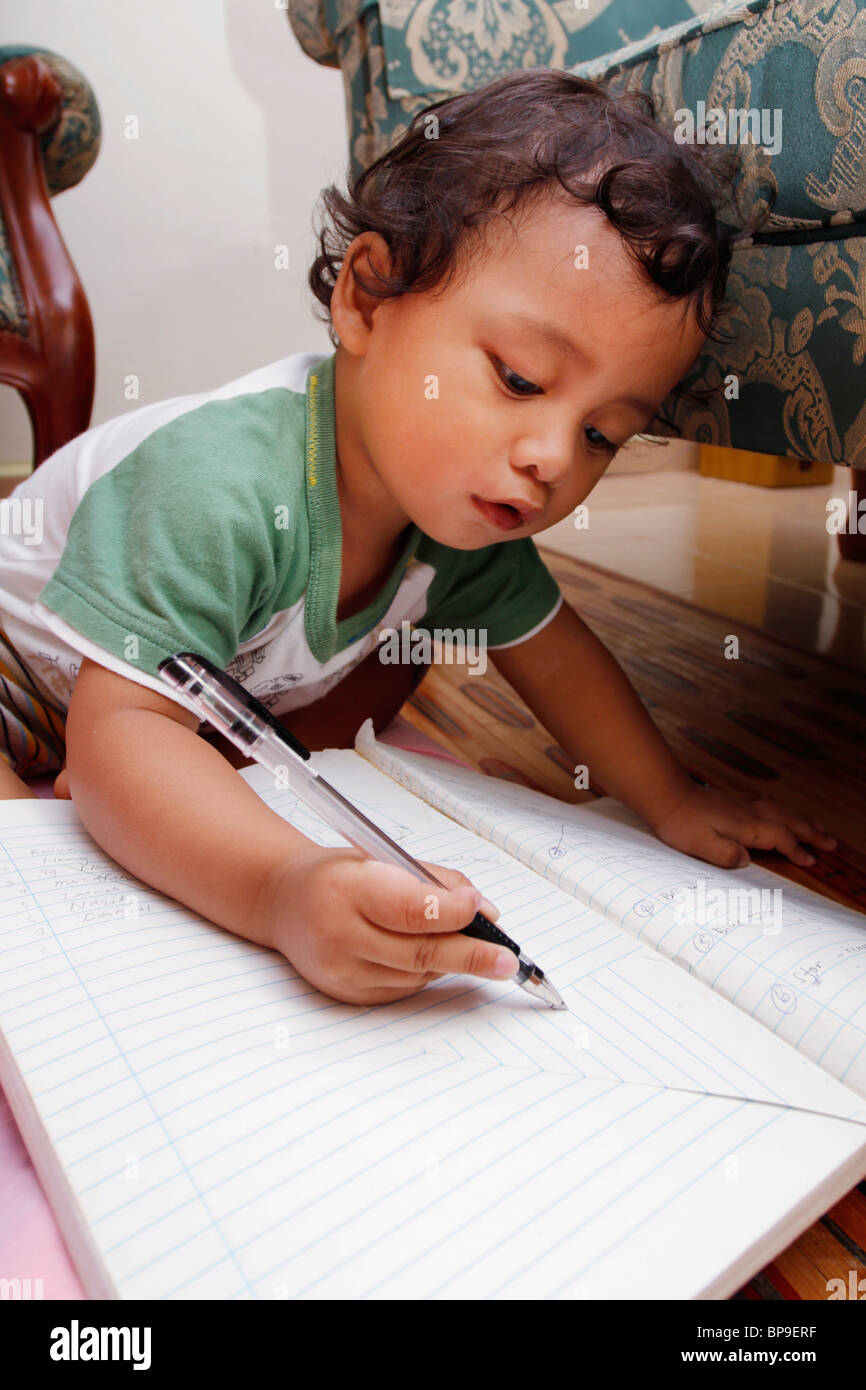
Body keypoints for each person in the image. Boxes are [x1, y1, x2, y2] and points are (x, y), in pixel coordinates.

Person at [0, 70, 835, 1003]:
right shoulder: (223, 483)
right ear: (366, 299)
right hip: (23, 670)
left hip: (186, 695)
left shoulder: (462, 522)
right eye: (520, 380)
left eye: (605, 434)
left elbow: (557, 653)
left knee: (391, 667)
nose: (555, 456)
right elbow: (119, 734)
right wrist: (282, 888)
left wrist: (673, 801)